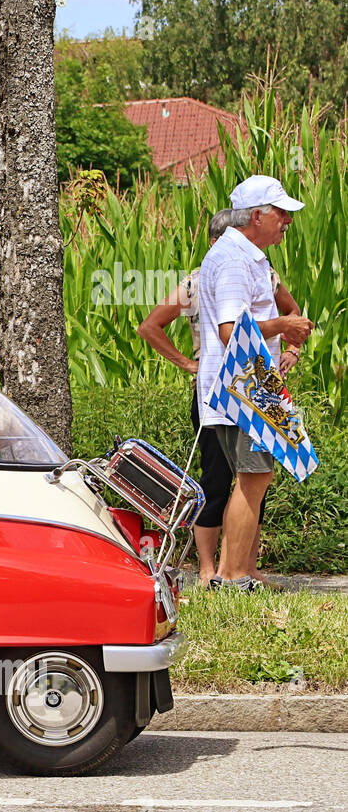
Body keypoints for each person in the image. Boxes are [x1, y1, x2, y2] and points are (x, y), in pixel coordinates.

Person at [137, 208, 306, 584]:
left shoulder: (263, 271)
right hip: (216, 388)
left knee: (253, 477)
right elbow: (149, 326)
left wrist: (291, 349)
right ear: (217, 242)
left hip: (256, 383)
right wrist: (187, 363)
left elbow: (293, 311)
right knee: (216, 478)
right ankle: (208, 568)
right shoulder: (196, 281)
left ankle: (243, 567)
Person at [194, 176, 314, 590]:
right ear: (256, 216)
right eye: (281, 213)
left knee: (253, 476)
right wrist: (283, 324)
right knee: (254, 476)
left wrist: (286, 339)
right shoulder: (232, 260)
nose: (287, 221)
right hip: (241, 389)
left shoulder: (247, 256)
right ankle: (233, 575)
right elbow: (231, 330)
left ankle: (232, 573)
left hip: (247, 385)